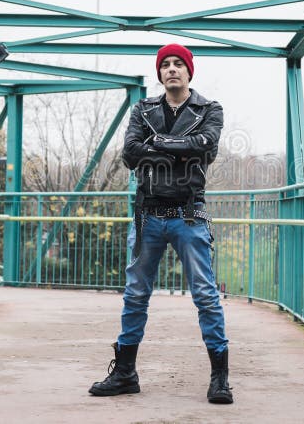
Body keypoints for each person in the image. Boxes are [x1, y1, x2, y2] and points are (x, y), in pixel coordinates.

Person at [89, 44, 233, 404]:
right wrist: (179, 148)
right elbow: (130, 154)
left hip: (189, 214)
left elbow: (207, 146)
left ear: (188, 72)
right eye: (165, 65)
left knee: (205, 294)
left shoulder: (209, 109)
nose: (171, 69)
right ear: (160, 73)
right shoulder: (143, 109)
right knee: (136, 295)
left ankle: (220, 378)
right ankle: (125, 373)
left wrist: (158, 144)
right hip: (148, 214)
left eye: (178, 64)